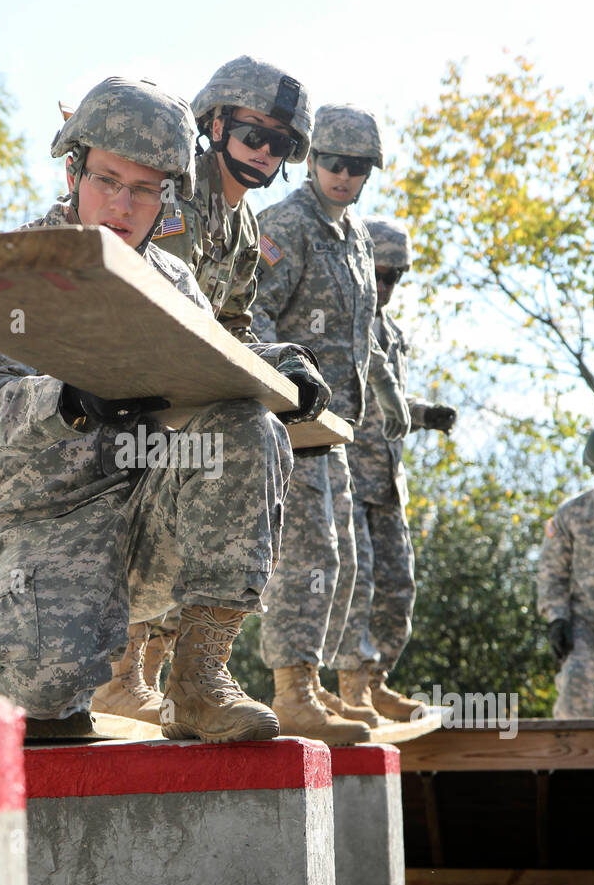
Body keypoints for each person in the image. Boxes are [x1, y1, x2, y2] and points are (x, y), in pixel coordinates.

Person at [0, 75, 327, 743]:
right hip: (44, 523)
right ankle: (55, 674)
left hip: (149, 520)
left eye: (145, 189)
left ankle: (199, 680)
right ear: (73, 170)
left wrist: (276, 371)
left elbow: (209, 380)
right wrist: (66, 401)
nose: (123, 205)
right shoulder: (8, 270)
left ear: (167, 195)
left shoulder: (173, 281)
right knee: (41, 701)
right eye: (107, 181)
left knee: (247, 426)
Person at [93, 55, 321, 721]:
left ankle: (177, 679)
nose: (265, 153)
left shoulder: (244, 228)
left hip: (188, 407)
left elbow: (232, 329)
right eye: (254, 135)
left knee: (243, 458)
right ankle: (122, 673)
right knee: (214, 462)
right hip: (121, 413)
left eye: (281, 145)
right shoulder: (173, 197)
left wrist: (285, 366)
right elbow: (147, 314)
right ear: (214, 124)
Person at [252, 104, 413, 740]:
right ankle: (291, 688)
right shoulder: (284, 225)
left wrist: (385, 391)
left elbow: (361, 336)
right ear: (311, 160)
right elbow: (250, 311)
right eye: (333, 163)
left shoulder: (357, 238)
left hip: (341, 428)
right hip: (291, 417)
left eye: (358, 168)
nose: (344, 177)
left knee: (344, 559)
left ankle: (316, 685)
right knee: (309, 552)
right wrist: (289, 378)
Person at [332, 217, 457, 721]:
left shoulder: (393, 333)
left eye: (393, 278)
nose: (384, 286)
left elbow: (392, 402)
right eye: (377, 274)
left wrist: (426, 415)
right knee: (354, 584)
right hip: (346, 477)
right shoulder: (343, 320)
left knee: (398, 585)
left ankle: (378, 681)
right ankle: (352, 686)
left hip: (387, 483)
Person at [537, 425, 594, 719]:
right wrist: (557, 618)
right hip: (585, 623)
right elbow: (553, 573)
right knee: (575, 681)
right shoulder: (572, 514)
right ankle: (570, 762)